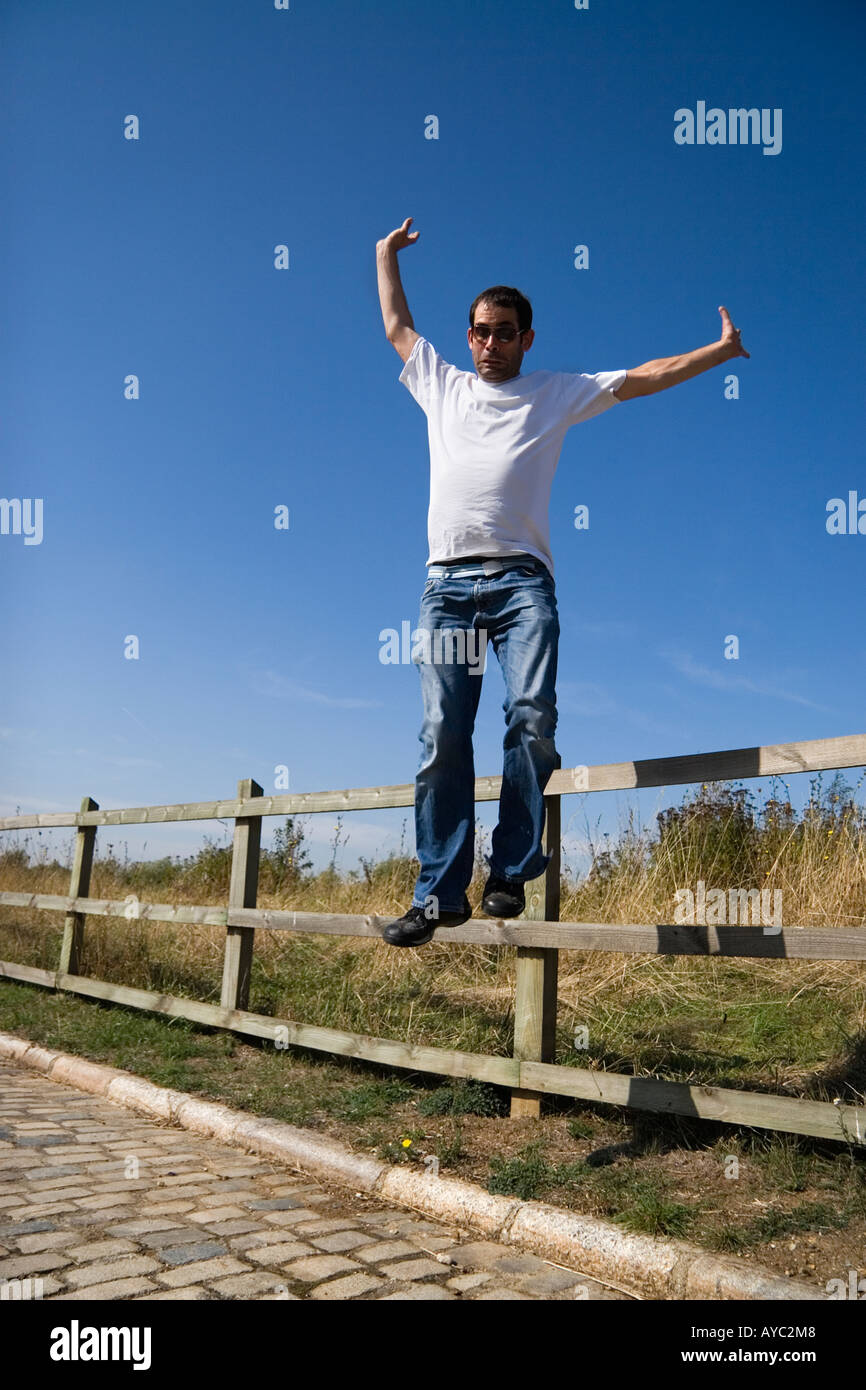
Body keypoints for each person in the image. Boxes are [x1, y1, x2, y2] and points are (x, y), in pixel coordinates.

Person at [375, 217, 749, 948]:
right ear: (471, 333)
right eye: (481, 331)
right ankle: (438, 893)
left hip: (522, 588)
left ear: (527, 339)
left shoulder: (556, 392)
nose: (491, 343)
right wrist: (384, 253)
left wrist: (720, 351)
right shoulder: (441, 384)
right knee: (441, 734)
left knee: (531, 717)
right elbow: (396, 324)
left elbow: (644, 376)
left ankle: (509, 872)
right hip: (446, 590)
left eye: (506, 332)